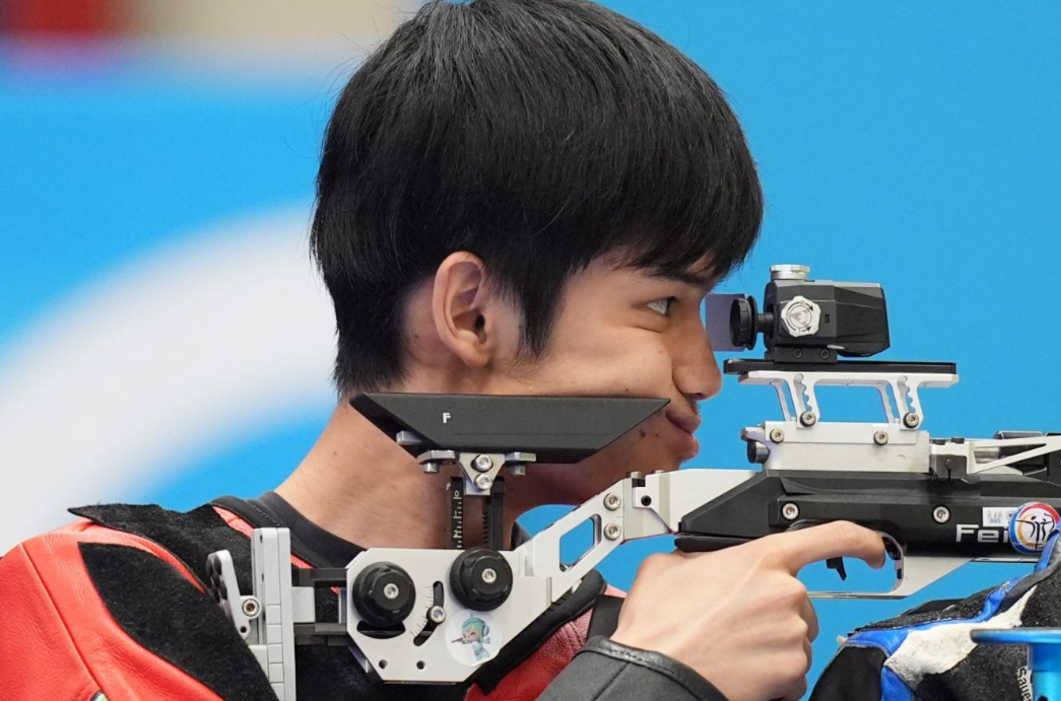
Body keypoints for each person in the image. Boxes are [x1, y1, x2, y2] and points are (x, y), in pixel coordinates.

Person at [0, 2, 884, 700]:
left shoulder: (628, 639)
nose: (702, 375)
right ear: (472, 313)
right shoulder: (92, 603)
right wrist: (648, 678)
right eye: (662, 306)